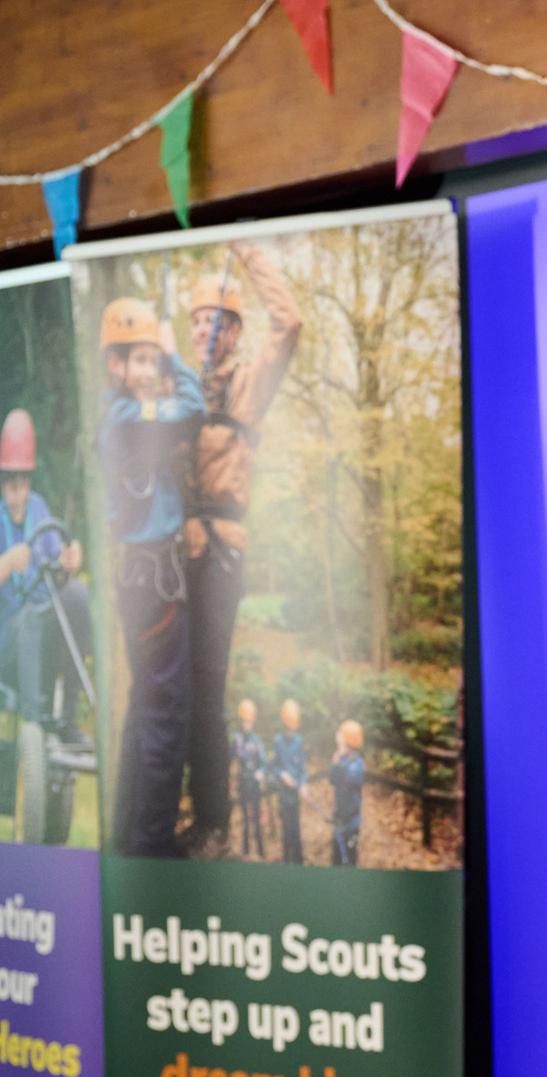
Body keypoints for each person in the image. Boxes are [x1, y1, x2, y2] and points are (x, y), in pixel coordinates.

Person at [182, 242, 303, 859]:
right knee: (169, 686)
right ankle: (182, 806)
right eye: (200, 320)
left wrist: (250, 258)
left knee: (206, 685)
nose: (208, 330)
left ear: (234, 331)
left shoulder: (248, 387)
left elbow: (290, 324)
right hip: (172, 554)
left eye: (220, 322)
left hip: (221, 552)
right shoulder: (177, 389)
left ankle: (214, 821)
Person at [97, 297, 205, 857]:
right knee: (167, 710)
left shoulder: (127, 417)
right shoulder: (125, 419)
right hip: (151, 581)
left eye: (150, 362)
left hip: (147, 576)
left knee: (147, 705)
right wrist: (170, 350)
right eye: (136, 360)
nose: (147, 372)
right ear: (115, 365)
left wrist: (163, 358)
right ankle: (152, 841)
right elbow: (193, 406)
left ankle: (131, 834)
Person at [0, 408, 92, 741]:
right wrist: (8, 562)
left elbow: (58, 561)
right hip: (9, 637)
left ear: (29, 480)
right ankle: (32, 723)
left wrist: (70, 558)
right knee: (28, 620)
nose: (17, 492)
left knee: (78, 595)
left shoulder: (39, 508)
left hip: (44, 622)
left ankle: (66, 718)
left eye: (22, 481)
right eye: (9, 483)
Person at [230, 697, 267, 858]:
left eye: (249, 721)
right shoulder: (237, 740)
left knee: (256, 820)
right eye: (245, 721)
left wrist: (261, 772)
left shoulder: (257, 740)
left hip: (255, 784)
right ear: (241, 721)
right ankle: (246, 852)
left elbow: (263, 761)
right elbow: (230, 759)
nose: (247, 724)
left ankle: (261, 851)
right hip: (243, 783)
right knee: (245, 820)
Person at [270, 697, 306, 864]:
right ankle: (286, 861)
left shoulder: (299, 742)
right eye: (288, 728)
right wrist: (282, 774)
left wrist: (303, 783)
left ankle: (298, 861)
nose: (290, 732)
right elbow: (274, 766)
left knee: (296, 830)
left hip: (295, 793)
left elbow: (302, 768)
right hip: (283, 794)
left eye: (293, 728)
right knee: (286, 831)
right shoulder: (278, 741)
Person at [329, 719, 364, 866]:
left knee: (349, 859)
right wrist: (336, 762)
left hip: (351, 822)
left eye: (341, 736)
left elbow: (349, 778)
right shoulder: (341, 759)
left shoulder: (358, 764)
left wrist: (338, 764)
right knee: (336, 857)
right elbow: (332, 780)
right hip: (339, 818)